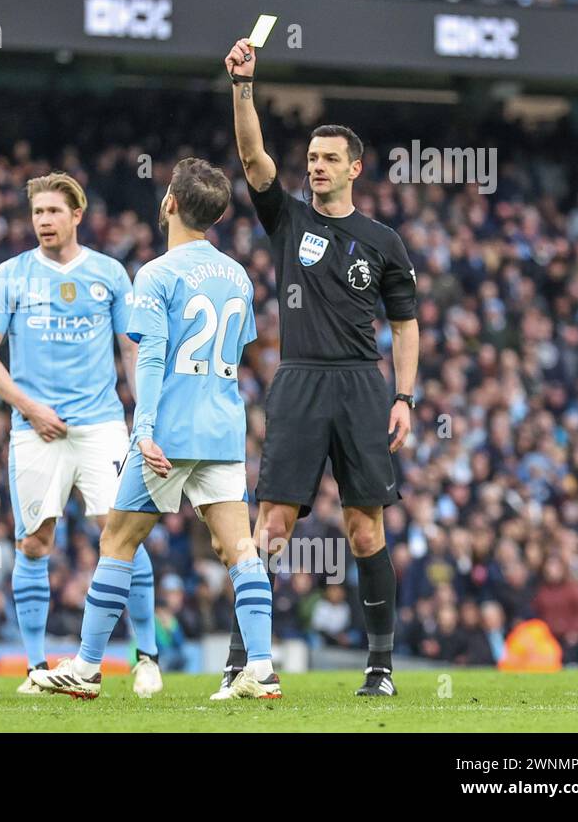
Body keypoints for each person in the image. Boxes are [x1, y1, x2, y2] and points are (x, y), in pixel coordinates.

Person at [31, 159, 278, 699]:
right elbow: (240, 351)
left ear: (170, 204)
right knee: (240, 548)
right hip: (223, 427)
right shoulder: (237, 274)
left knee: (117, 538)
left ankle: (88, 667)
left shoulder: (158, 273)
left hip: (169, 431)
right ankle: (259, 667)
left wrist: (142, 429)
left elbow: (151, 356)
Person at [220, 37, 419, 697]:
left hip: (363, 383)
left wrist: (405, 398)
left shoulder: (384, 243)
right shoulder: (287, 218)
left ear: (356, 168)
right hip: (300, 376)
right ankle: (242, 662)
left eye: (331, 158)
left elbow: (405, 324)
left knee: (365, 528)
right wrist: (243, 87)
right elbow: (252, 156)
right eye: (311, 158)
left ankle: (381, 668)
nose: (318, 167)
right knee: (269, 526)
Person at [0, 173, 157, 697]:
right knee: (34, 542)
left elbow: (131, 350)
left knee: (120, 533)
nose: (44, 221)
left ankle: (148, 656)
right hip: (35, 430)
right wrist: (29, 408)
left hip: (100, 426)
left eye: (54, 212)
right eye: (37, 213)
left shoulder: (109, 273)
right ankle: (35, 666)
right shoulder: (11, 275)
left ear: (77, 214)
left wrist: (144, 417)